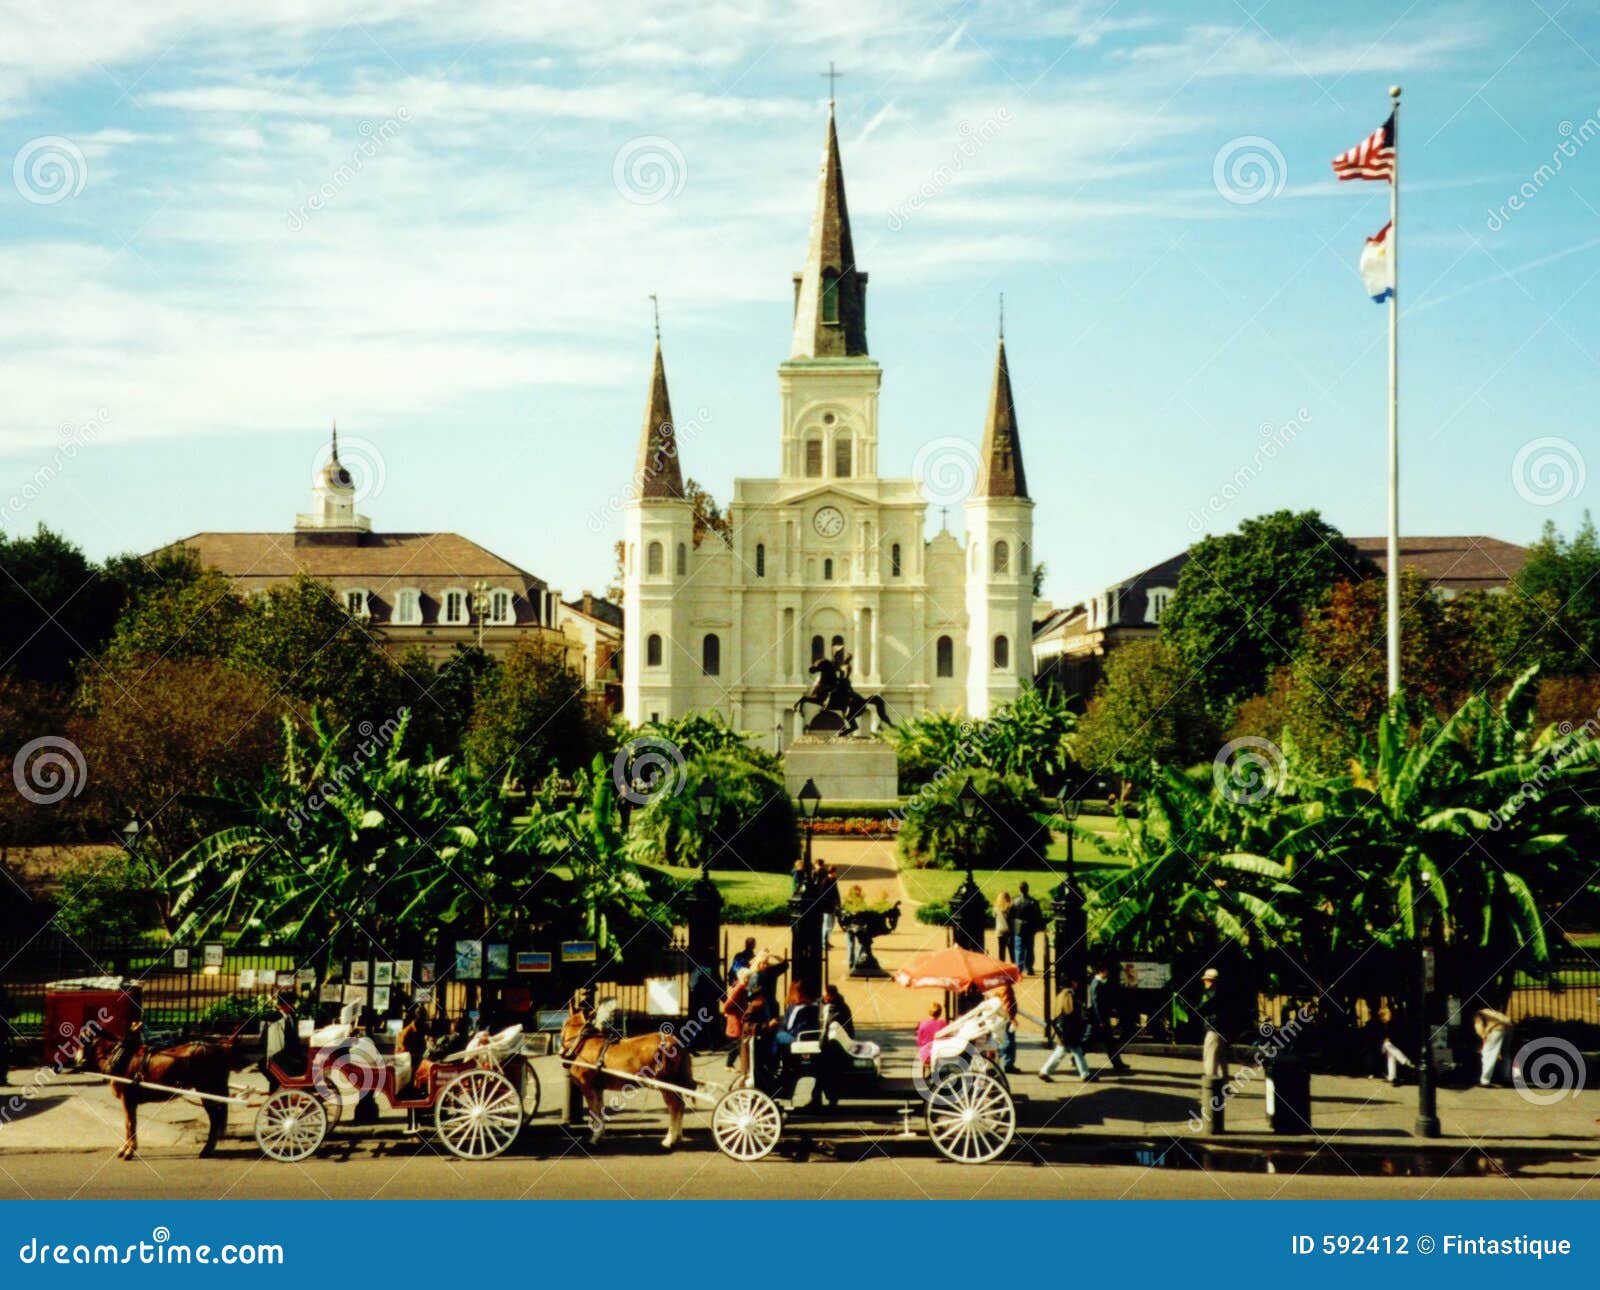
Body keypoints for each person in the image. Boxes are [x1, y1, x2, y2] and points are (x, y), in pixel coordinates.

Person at [1083, 964, 1129, 1076]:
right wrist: (1100, 1020)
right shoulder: (1096, 984)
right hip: (1097, 1020)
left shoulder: (1099, 983)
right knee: (1088, 1040)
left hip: (1101, 1019)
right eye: (1106, 971)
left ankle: (1118, 1063)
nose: (1107, 973)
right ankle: (1076, 1057)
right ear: (1101, 972)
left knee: (1109, 1042)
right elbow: (1096, 1004)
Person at [1038, 980, 1090, 1081]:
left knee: (1063, 1051)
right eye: (1075, 982)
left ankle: (1045, 1071)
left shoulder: (1061, 994)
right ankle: (1085, 1074)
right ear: (1073, 983)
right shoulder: (1069, 995)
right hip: (1069, 1030)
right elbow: (1070, 1012)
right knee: (1075, 1050)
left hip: (1063, 1030)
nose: (1077, 984)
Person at [262, 991, 304, 1092]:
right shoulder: (274, 1018)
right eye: (292, 1003)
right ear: (285, 1004)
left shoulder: (292, 1017)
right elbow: (271, 1042)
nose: (294, 1006)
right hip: (278, 1056)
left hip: (291, 1055)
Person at [1195, 968, 1229, 1079]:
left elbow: (1203, 1008)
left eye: (1206, 980)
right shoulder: (1222, 992)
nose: (1204, 982)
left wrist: (1194, 1009)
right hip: (1221, 1028)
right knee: (1221, 1058)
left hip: (1213, 1028)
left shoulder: (1212, 993)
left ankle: (1210, 1084)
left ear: (1210, 980)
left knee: (1210, 1056)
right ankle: (1223, 1084)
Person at [721, 967, 752, 1073]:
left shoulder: (743, 988)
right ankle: (746, 1067)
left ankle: (729, 1064)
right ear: (741, 977)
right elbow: (727, 1005)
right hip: (736, 1021)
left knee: (735, 1045)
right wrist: (731, 1012)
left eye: (749, 977)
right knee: (740, 1044)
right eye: (746, 977)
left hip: (738, 1020)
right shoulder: (739, 988)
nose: (748, 979)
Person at [1475, 1006, 1513, 1087]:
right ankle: (1505, 1077)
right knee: (1505, 1054)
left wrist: (1483, 1036)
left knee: (1488, 1054)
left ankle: (1484, 1080)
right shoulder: (1493, 1012)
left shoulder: (1479, 1014)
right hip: (1509, 1028)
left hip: (1496, 1029)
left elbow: (1479, 1028)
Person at [988, 980, 1020, 1073]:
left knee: (1004, 1041)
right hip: (1006, 1018)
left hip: (998, 1018)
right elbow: (1007, 1004)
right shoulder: (1005, 987)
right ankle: (1005, 1063)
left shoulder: (994, 985)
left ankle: (999, 1061)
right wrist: (1012, 1018)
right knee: (1008, 1043)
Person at [1010, 883, 1040, 974]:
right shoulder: (1033, 902)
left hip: (1018, 927)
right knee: (1029, 948)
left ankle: (1019, 968)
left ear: (1020, 889)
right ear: (1028, 889)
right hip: (1030, 927)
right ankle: (1029, 967)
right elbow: (1037, 916)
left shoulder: (1015, 901)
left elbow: (1011, 915)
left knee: (1019, 949)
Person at [916, 1002, 944, 1075]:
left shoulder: (923, 1023)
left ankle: (924, 1074)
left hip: (925, 1054)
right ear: (940, 1013)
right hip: (938, 1054)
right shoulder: (943, 1024)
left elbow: (919, 1041)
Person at [820, 866, 842, 951]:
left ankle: (827, 941)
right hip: (826, 907)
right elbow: (822, 895)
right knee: (827, 925)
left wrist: (838, 903)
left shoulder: (833, 880)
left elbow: (836, 892)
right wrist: (832, 902)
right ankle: (823, 942)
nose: (836, 873)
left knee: (832, 925)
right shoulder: (825, 882)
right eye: (835, 872)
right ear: (832, 872)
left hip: (832, 907)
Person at [993, 891, 1013, 963]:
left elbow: (994, 916)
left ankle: (1002, 966)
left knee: (1001, 951)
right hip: (1008, 930)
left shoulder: (996, 908)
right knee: (1012, 951)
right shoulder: (1010, 908)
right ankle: (1013, 966)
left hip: (999, 930)